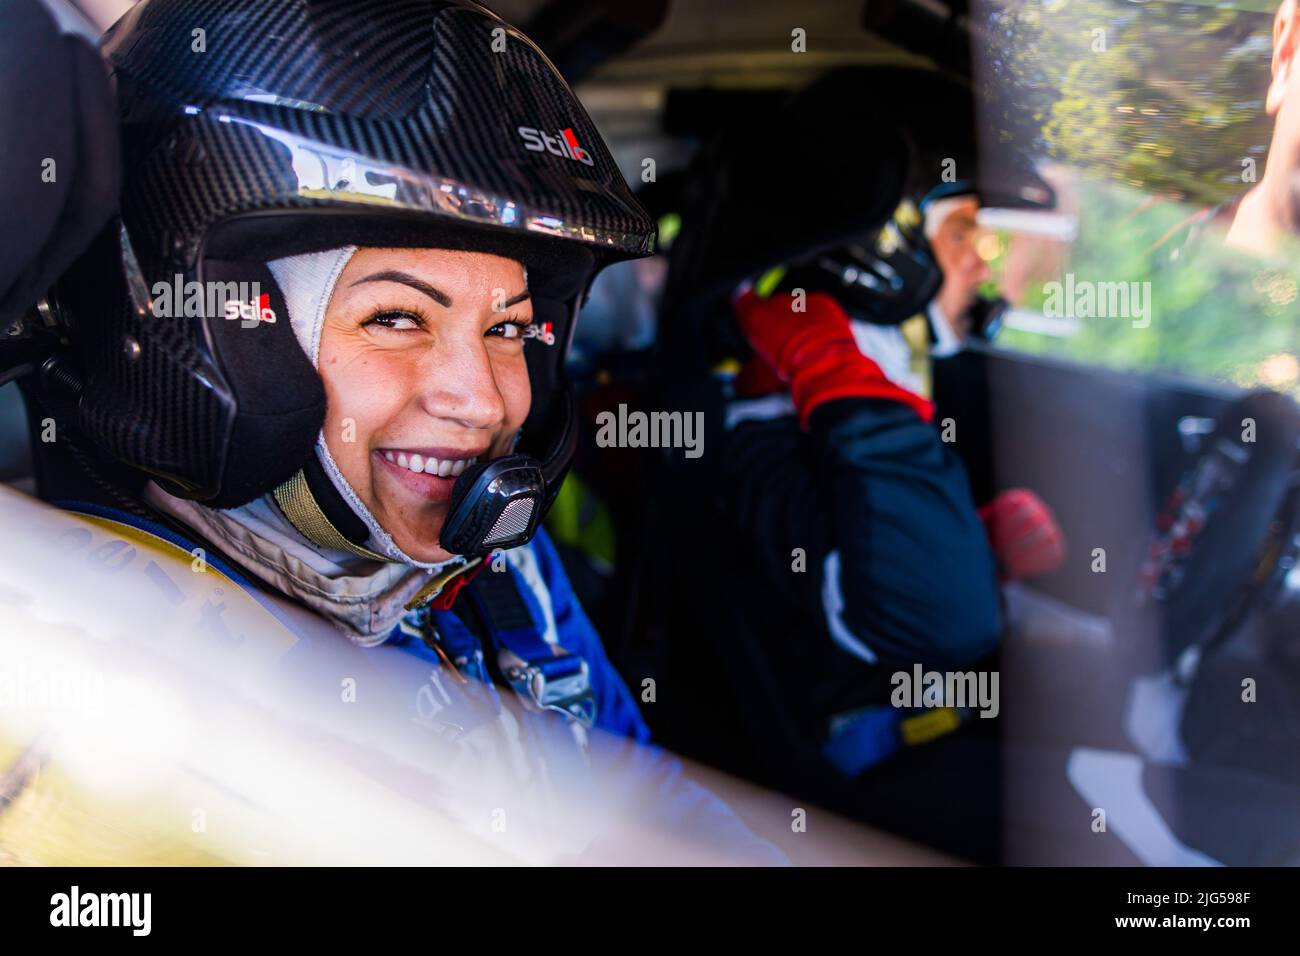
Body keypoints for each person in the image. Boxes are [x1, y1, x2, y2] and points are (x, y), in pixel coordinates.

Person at [10, 0, 781, 863]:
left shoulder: (497, 566)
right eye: (395, 319)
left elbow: (638, 793)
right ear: (219, 340)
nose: (484, 403)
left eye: (508, 330)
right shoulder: (77, 659)